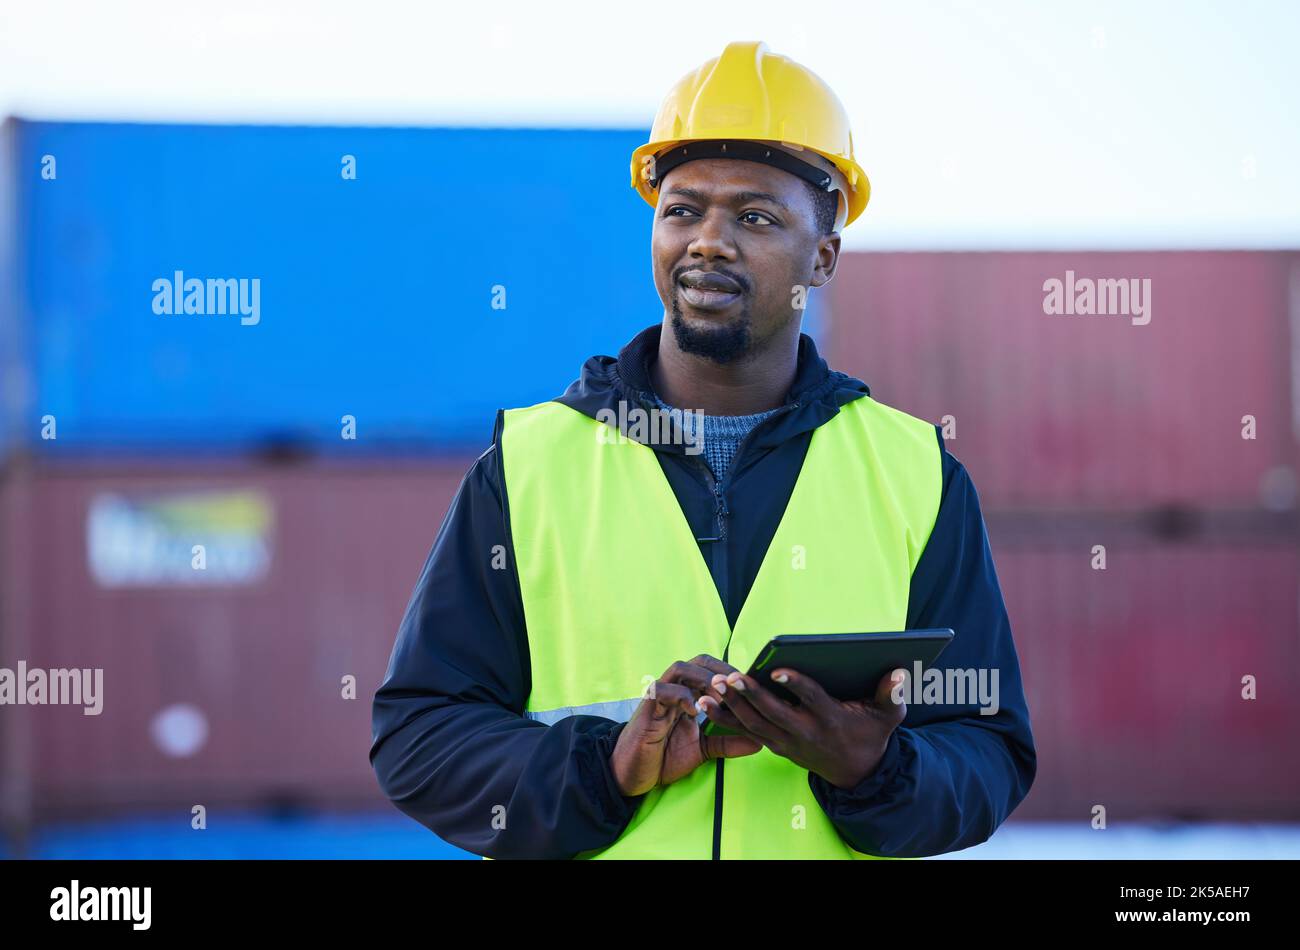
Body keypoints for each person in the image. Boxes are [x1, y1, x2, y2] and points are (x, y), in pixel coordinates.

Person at [370, 40, 1035, 859]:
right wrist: (605, 768)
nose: (708, 241)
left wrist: (877, 770)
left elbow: (989, 748)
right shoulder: (528, 467)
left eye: (755, 216)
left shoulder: (916, 475)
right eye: (682, 209)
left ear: (823, 256)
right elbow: (419, 735)